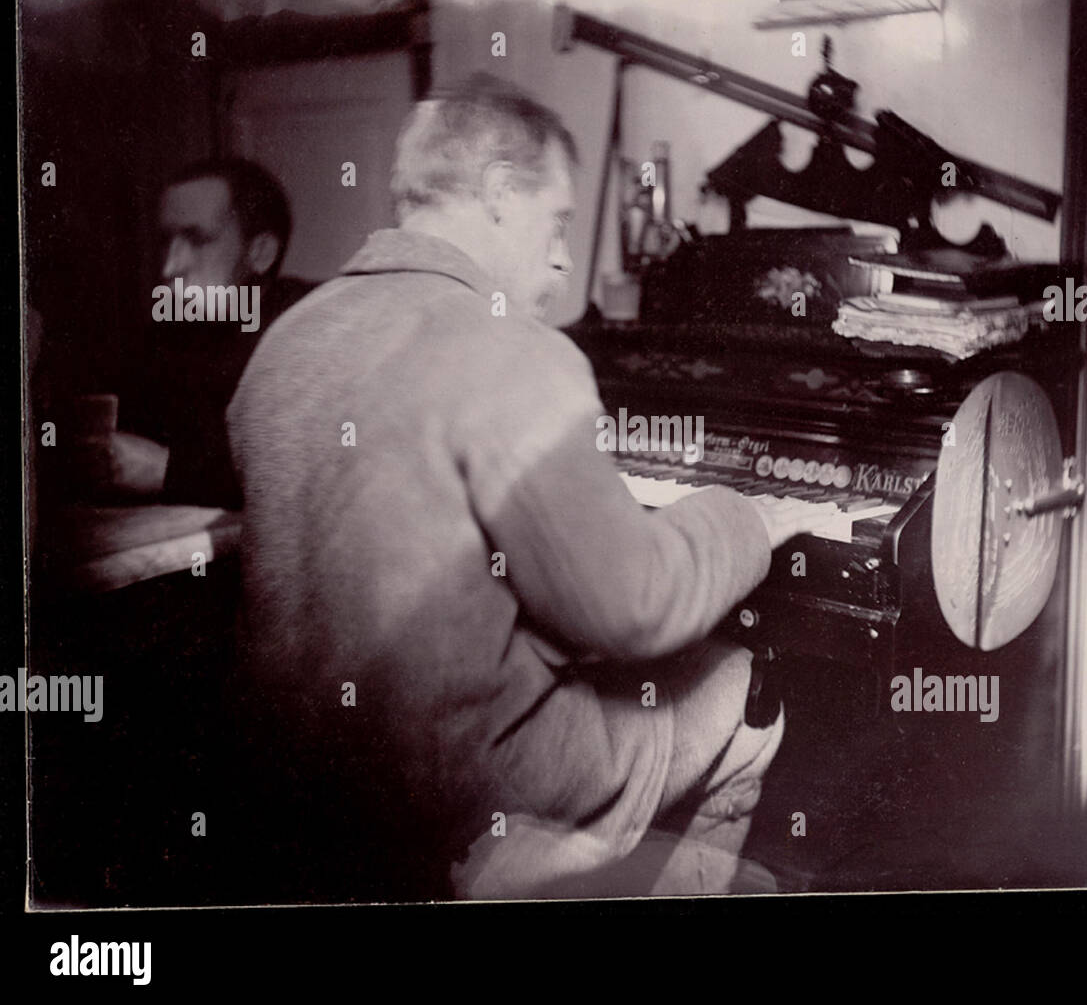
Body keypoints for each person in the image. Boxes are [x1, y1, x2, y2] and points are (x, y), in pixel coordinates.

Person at [225, 74, 836, 900]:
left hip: (294, 785)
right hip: (464, 796)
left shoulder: (286, 341)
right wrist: (749, 514)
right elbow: (638, 604)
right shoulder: (508, 345)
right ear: (501, 194)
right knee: (742, 675)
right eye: (555, 222)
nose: (558, 258)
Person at [93, 158, 313, 508]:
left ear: (261, 253)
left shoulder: (309, 327)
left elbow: (311, 473)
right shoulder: (163, 334)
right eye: (167, 240)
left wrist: (167, 470)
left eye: (197, 239)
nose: (169, 266)